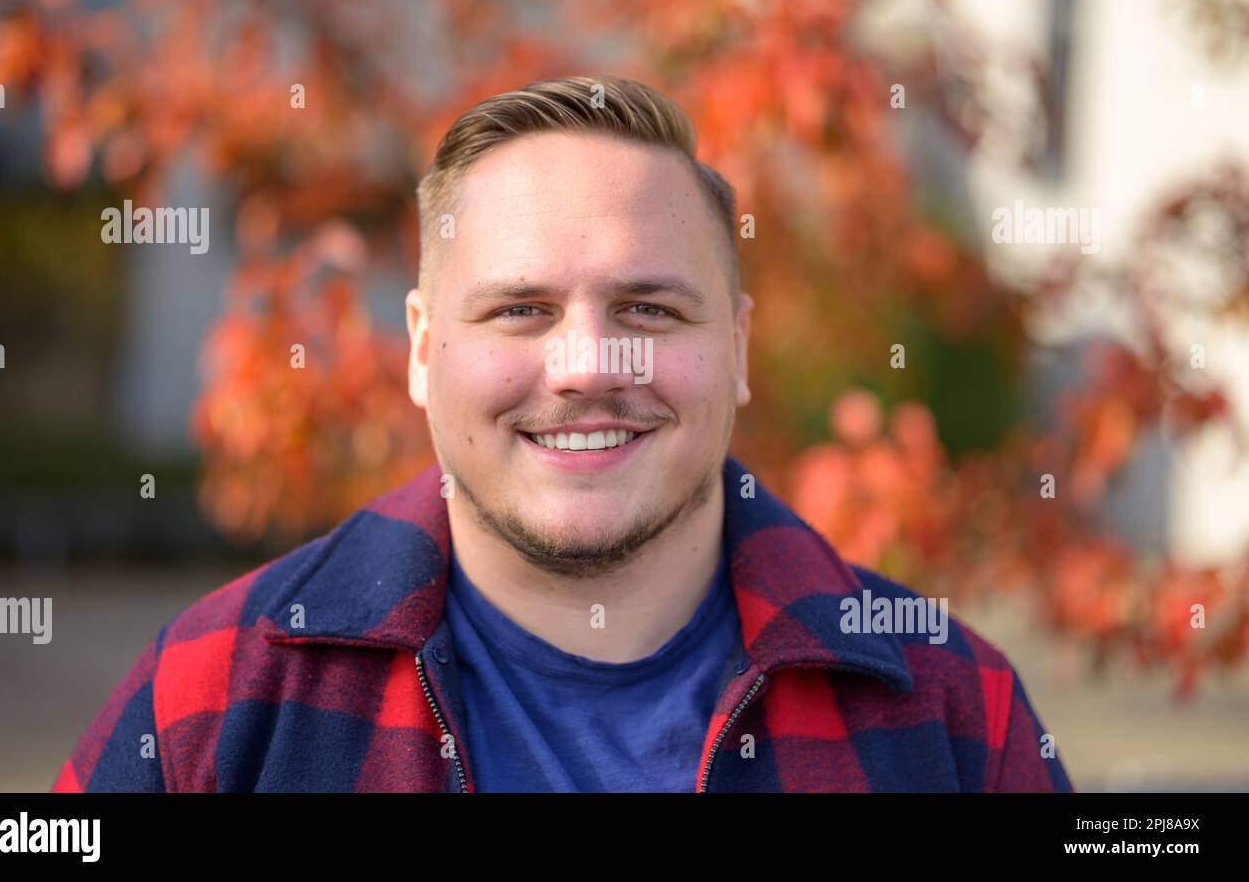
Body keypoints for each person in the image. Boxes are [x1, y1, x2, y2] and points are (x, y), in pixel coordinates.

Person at [53, 75, 1072, 792]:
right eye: (520, 310)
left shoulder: (951, 710)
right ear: (419, 348)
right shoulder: (215, 695)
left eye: (650, 311)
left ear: (738, 347)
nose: (589, 366)